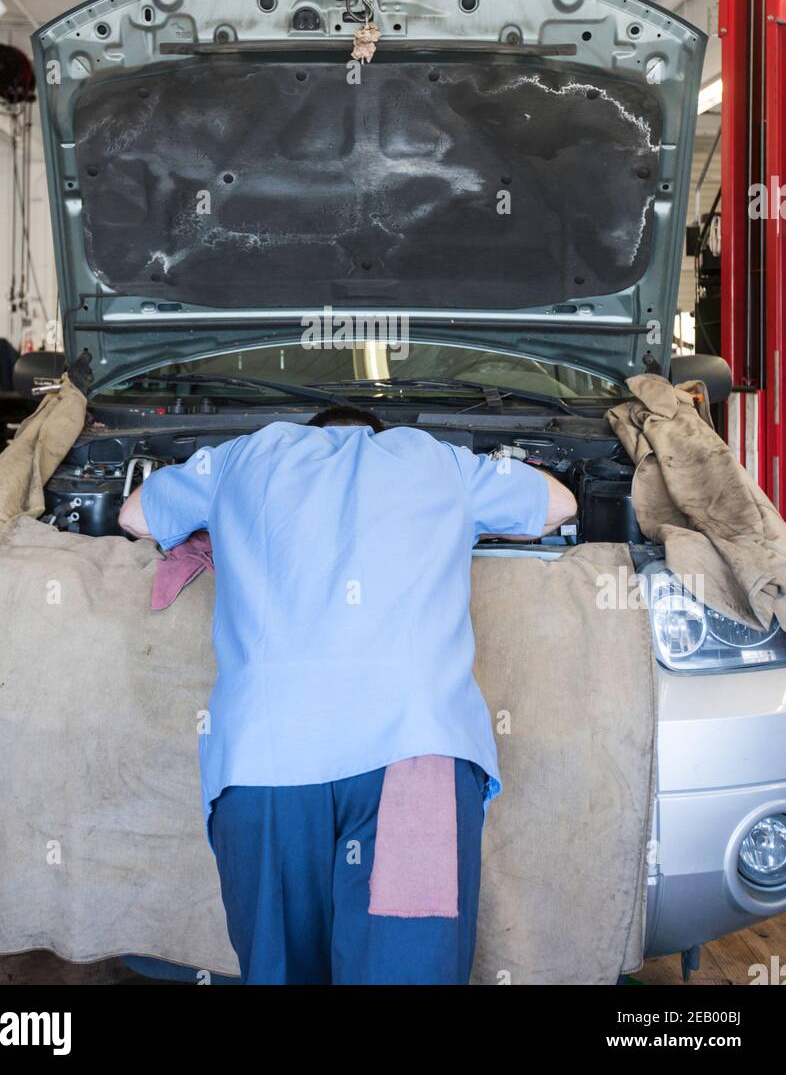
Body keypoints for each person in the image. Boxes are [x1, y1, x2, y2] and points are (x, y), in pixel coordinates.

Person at [119, 405, 577, 985]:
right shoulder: (439, 460)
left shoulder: (243, 456)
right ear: (375, 434)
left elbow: (136, 516)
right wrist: (468, 520)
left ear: (310, 432)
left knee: (281, 971)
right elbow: (561, 505)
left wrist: (220, 519)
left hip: (266, 761)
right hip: (417, 756)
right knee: (407, 972)